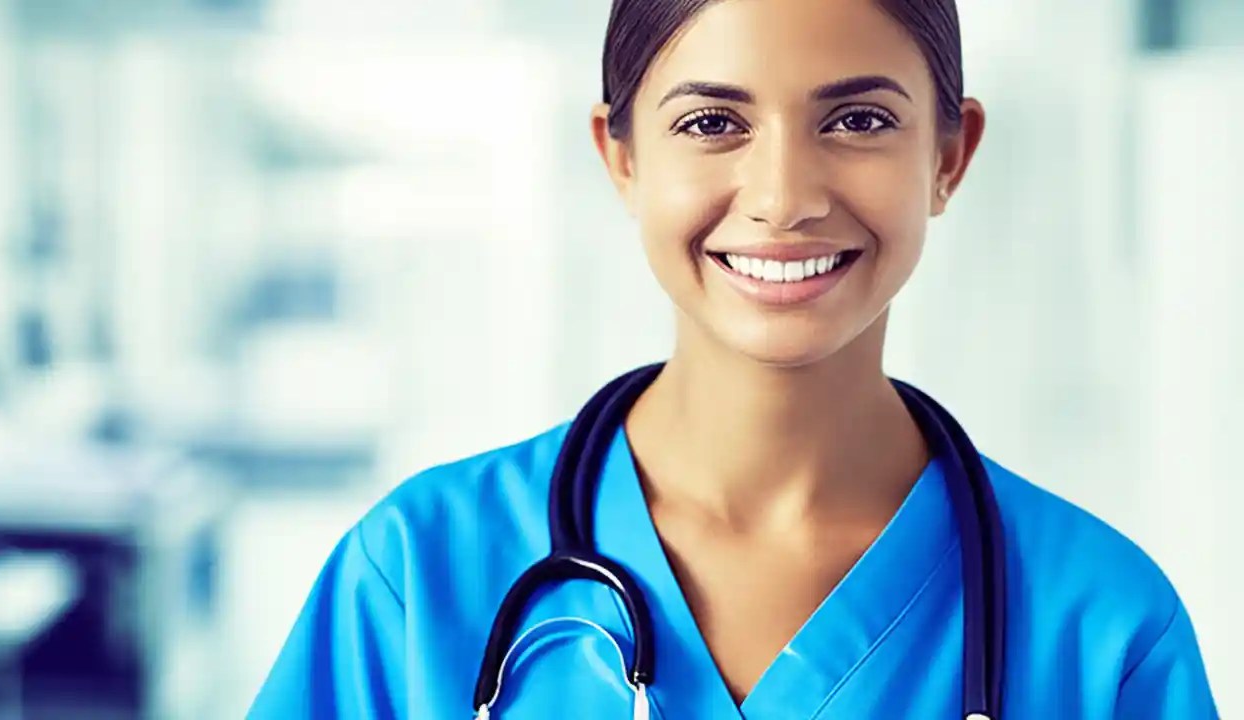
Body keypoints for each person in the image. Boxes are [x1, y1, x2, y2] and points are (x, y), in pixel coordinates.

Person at [248, 0, 1219, 717]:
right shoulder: (417, 575)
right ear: (618, 156)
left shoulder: (1100, 631)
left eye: (858, 121)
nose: (783, 194)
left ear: (948, 156)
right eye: (711, 124)